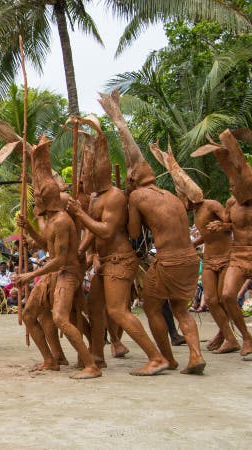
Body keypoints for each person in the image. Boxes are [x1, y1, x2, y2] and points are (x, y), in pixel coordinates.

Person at [101, 90, 205, 374]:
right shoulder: (170, 195)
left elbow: (134, 233)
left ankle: (164, 359)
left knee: (151, 308)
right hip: (190, 259)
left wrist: (126, 200)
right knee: (181, 309)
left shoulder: (138, 197)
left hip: (169, 261)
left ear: (134, 179)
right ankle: (195, 356)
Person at [66, 115, 168, 376]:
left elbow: (106, 230)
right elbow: (92, 232)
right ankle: (97, 357)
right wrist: (79, 252)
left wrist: (79, 215)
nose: (84, 179)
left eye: (88, 174)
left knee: (117, 311)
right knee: (95, 309)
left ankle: (156, 357)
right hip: (104, 261)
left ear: (99, 172)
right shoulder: (95, 197)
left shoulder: (114, 197)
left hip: (119, 260)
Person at [14, 135, 101, 379]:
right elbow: (46, 246)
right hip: (53, 273)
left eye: (38, 197)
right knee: (29, 315)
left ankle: (91, 365)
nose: (35, 201)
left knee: (61, 318)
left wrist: (30, 274)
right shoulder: (52, 220)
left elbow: (61, 260)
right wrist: (29, 228)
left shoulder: (62, 221)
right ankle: (50, 360)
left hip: (67, 274)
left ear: (47, 199)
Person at [193, 129, 252, 357]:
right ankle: (245, 338)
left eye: (235, 185)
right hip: (238, 254)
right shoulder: (230, 203)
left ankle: (228, 335)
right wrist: (222, 227)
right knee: (226, 296)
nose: (232, 188)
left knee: (224, 296)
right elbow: (229, 225)